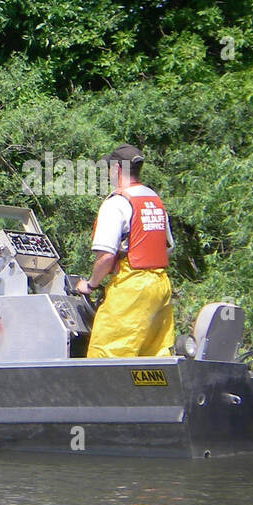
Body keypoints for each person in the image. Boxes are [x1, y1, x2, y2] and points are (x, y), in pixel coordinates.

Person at [74, 143, 175, 358]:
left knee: (106, 357)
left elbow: (106, 256)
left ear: (117, 170)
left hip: (131, 287)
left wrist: (90, 285)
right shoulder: (154, 200)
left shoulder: (117, 203)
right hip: (160, 286)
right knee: (154, 358)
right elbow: (167, 247)